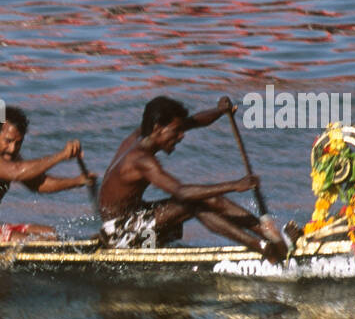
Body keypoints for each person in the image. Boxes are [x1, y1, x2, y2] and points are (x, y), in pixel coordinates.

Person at [97, 95, 288, 261]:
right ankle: (263, 248)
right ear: (157, 128)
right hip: (119, 232)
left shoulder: (140, 135)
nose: (181, 136)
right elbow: (182, 192)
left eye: (181, 131)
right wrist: (235, 185)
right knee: (192, 203)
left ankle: (270, 235)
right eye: (176, 132)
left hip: (136, 216)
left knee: (210, 199)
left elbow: (193, 121)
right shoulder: (140, 160)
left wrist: (219, 111)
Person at [0, 106, 93, 242]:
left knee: (50, 235)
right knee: (30, 242)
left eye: (18, 143)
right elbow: (17, 173)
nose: (12, 149)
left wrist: (78, 181)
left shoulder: (10, 159)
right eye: (8, 141)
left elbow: (38, 184)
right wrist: (61, 156)